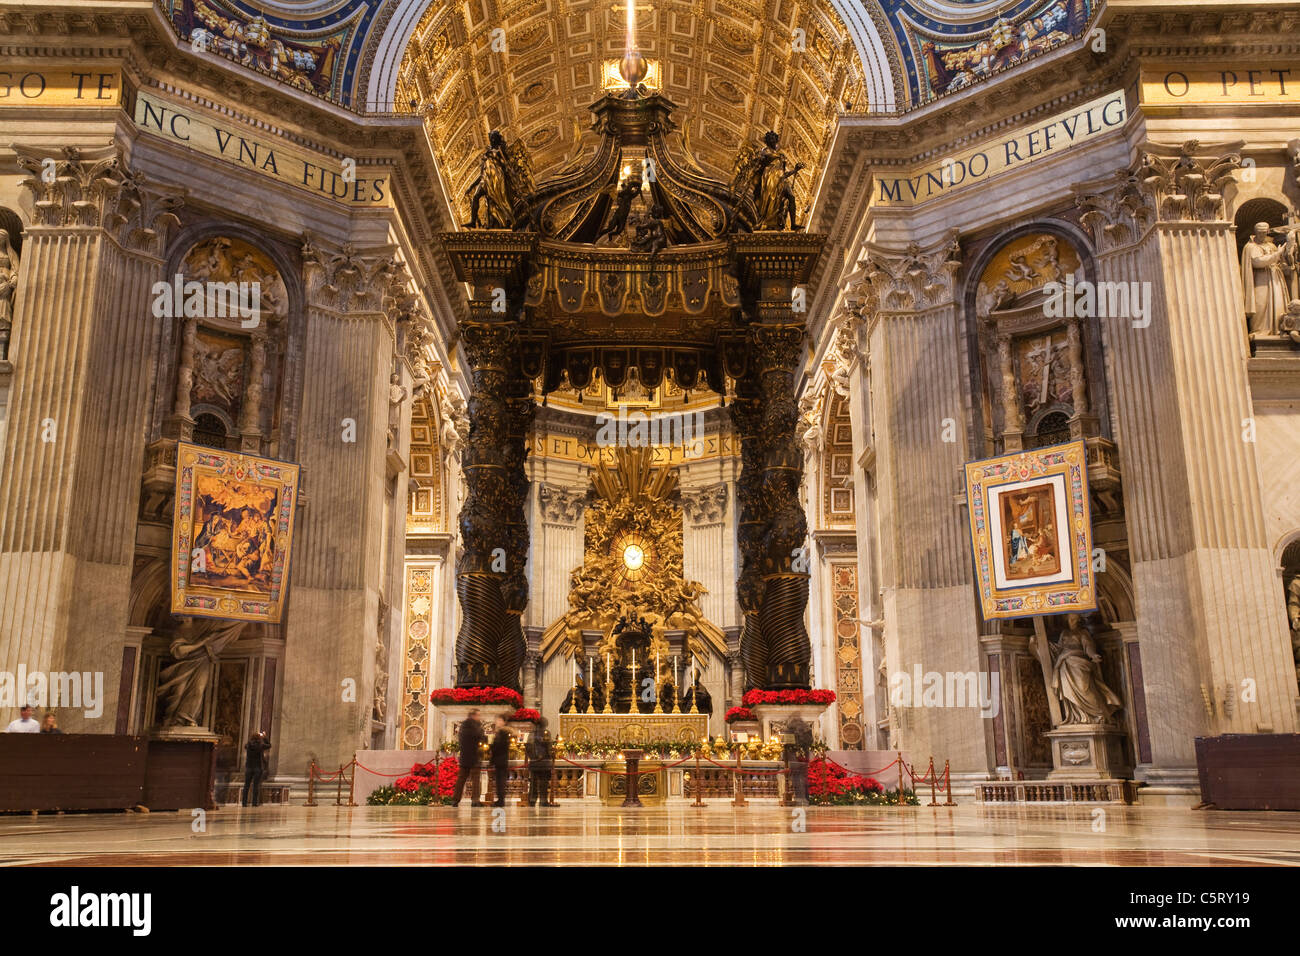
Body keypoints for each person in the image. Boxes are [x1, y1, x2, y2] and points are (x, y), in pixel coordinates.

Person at [451, 709, 486, 806]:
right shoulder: (473, 726)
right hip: (473, 755)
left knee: (462, 779)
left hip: (465, 756)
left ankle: (455, 800)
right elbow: (479, 737)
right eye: (478, 715)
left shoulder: (464, 726)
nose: (479, 717)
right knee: (474, 779)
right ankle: (475, 800)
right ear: (473, 716)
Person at [784, 717, 813, 805]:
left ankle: (800, 797)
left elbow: (786, 744)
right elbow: (810, 742)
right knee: (803, 778)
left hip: (795, 757)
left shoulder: (790, 731)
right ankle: (804, 797)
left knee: (797, 778)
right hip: (802, 757)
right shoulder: (806, 730)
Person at [527, 717, 554, 807]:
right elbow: (549, 747)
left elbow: (528, 747)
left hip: (534, 762)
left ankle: (532, 800)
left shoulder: (532, 734)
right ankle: (543, 800)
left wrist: (533, 757)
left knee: (533, 782)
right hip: (544, 762)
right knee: (543, 782)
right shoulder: (546, 733)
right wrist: (549, 755)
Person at [488, 714, 512, 807]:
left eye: (499, 720)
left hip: (500, 760)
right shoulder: (501, 732)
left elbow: (499, 746)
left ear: (503, 722)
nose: (497, 722)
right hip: (500, 759)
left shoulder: (503, 732)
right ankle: (500, 799)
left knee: (500, 781)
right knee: (499, 781)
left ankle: (501, 800)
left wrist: (492, 748)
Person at [243, 730, 271, 806]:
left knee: (246, 786)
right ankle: (254, 803)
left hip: (249, 767)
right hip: (257, 767)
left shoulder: (248, 745)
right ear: (259, 738)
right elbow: (269, 745)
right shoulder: (260, 745)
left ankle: (244, 803)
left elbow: (245, 746)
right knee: (255, 786)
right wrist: (264, 737)